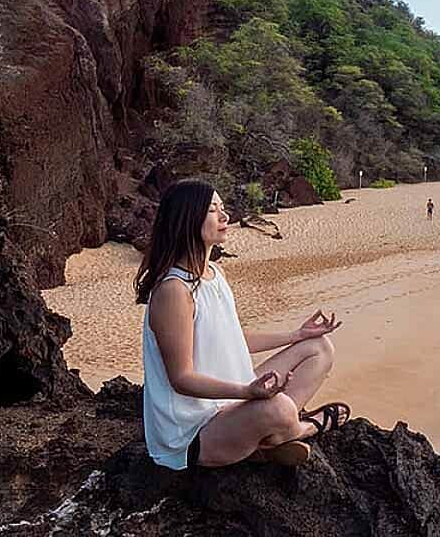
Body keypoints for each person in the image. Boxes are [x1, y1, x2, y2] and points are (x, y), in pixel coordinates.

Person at [135, 179, 349, 470]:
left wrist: (297, 335)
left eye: (223, 208)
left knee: (318, 348)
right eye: (212, 210)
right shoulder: (174, 291)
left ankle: (265, 438)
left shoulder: (214, 273)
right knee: (281, 408)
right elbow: (181, 379)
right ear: (187, 219)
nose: (225, 217)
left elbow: (233, 338)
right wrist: (248, 393)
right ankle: (304, 428)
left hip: (229, 404)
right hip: (192, 434)